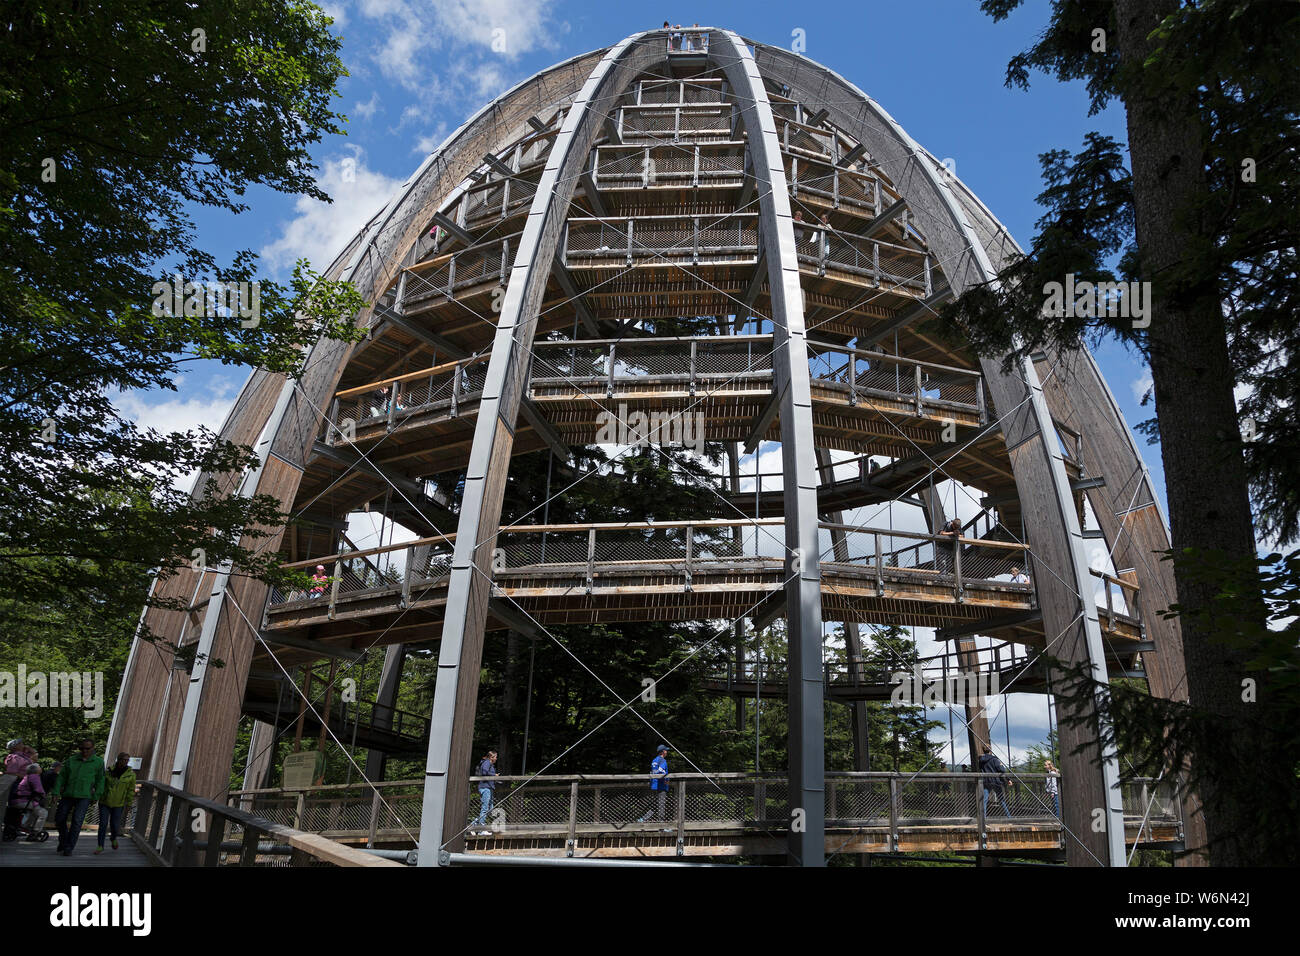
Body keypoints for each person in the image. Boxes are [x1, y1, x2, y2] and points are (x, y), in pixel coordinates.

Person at [51, 738, 105, 856]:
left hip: (84, 796)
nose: (84, 751)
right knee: (59, 819)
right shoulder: (72, 760)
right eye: (82, 748)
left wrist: (96, 795)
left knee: (77, 821)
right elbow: (61, 777)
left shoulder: (98, 762)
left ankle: (68, 847)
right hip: (68, 794)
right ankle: (64, 841)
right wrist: (56, 792)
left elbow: (100, 780)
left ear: (93, 748)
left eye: (87, 748)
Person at [96, 752, 136, 853]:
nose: (125, 762)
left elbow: (131, 790)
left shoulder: (131, 775)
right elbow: (101, 784)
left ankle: (113, 838)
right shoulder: (109, 771)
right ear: (118, 759)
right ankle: (100, 845)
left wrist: (129, 803)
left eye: (127, 760)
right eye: (123, 759)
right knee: (103, 824)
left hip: (119, 803)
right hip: (105, 801)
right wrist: (97, 796)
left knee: (115, 824)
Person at [10, 763, 46, 838]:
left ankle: (26, 826)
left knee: (35, 811)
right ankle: (35, 832)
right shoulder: (34, 777)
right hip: (23, 801)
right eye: (39, 766)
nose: (40, 768)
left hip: (16, 800)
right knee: (43, 812)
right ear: (36, 770)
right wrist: (43, 797)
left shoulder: (27, 776)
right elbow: (39, 790)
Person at [638, 745, 671, 826]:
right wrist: (666, 780)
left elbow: (654, 772)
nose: (667, 752)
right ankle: (661, 826)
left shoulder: (654, 760)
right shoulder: (662, 760)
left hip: (654, 785)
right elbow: (662, 772)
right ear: (663, 752)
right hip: (661, 786)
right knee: (661, 806)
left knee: (655, 805)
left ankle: (643, 819)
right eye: (666, 750)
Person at [978, 746, 1011, 818]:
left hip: (986, 781)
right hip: (996, 781)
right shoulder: (995, 759)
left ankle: (983, 818)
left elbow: (980, 769)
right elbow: (1002, 770)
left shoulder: (981, 760)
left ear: (983, 750)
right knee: (1002, 800)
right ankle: (1009, 817)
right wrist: (1008, 779)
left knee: (984, 801)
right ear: (990, 750)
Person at [472, 750, 498, 835]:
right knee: (485, 808)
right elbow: (484, 772)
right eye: (495, 757)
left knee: (490, 809)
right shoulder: (487, 763)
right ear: (491, 757)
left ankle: (474, 824)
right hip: (485, 788)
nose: (496, 759)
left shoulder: (490, 764)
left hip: (489, 787)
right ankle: (481, 829)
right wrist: (494, 775)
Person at [2, 739, 27, 806]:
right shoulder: (14, 757)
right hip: (17, 786)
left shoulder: (22, 756)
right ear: (15, 747)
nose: (22, 744)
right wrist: (26, 777)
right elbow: (11, 773)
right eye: (20, 743)